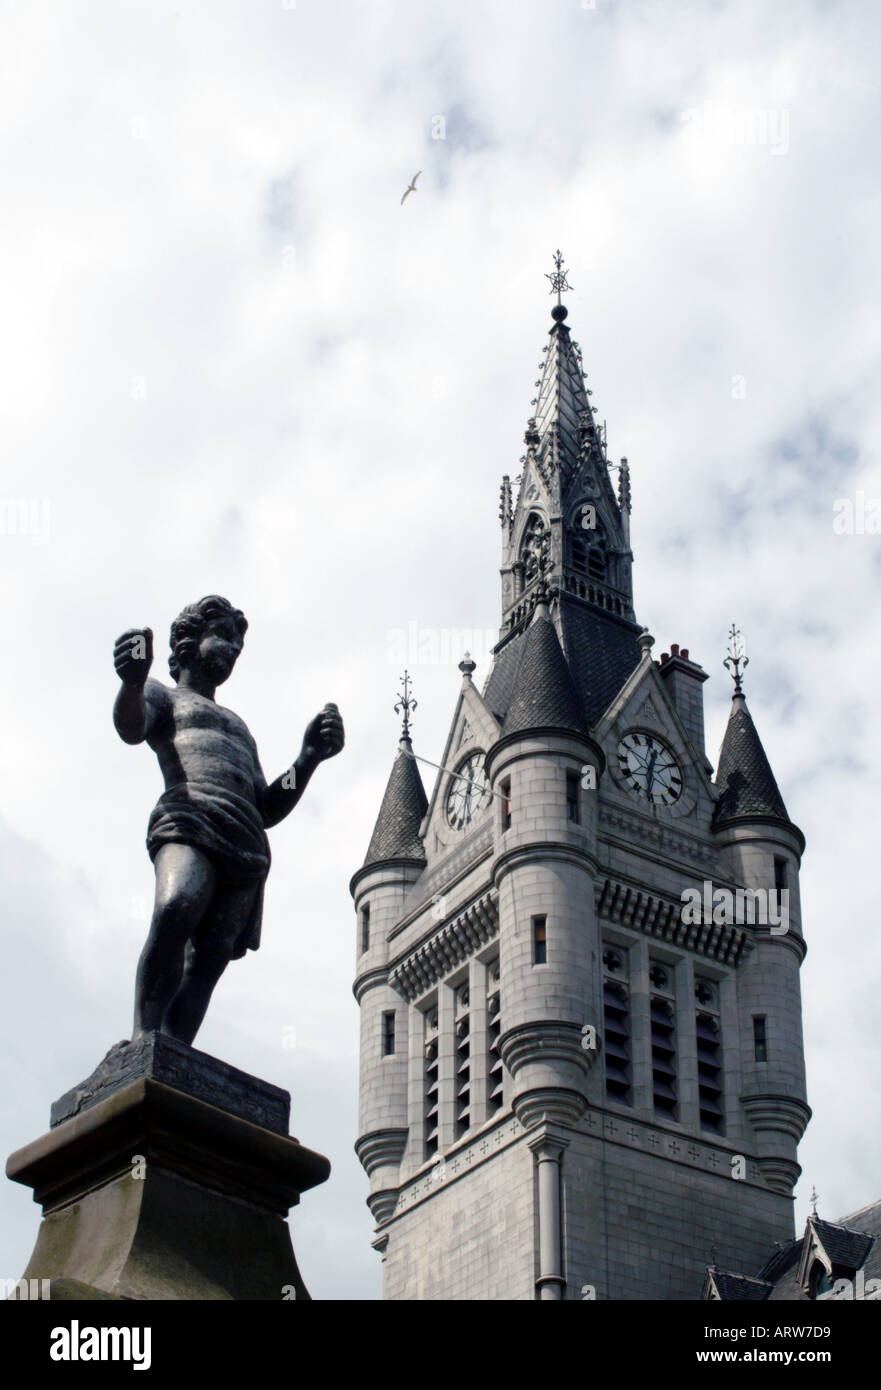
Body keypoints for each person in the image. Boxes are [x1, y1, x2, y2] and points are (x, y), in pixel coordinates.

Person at [112, 594, 344, 1046]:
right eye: (225, 637)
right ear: (189, 640)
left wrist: (308, 759)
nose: (233, 650)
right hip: (191, 817)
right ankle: (145, 1037)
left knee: (212, 956)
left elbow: (267, 805)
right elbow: (131, 727)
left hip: (247, 843)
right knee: (176, 904)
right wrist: (132, 682)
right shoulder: (164, 695)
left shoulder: (238, 726)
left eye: (239, 643)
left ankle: (177, 1048)